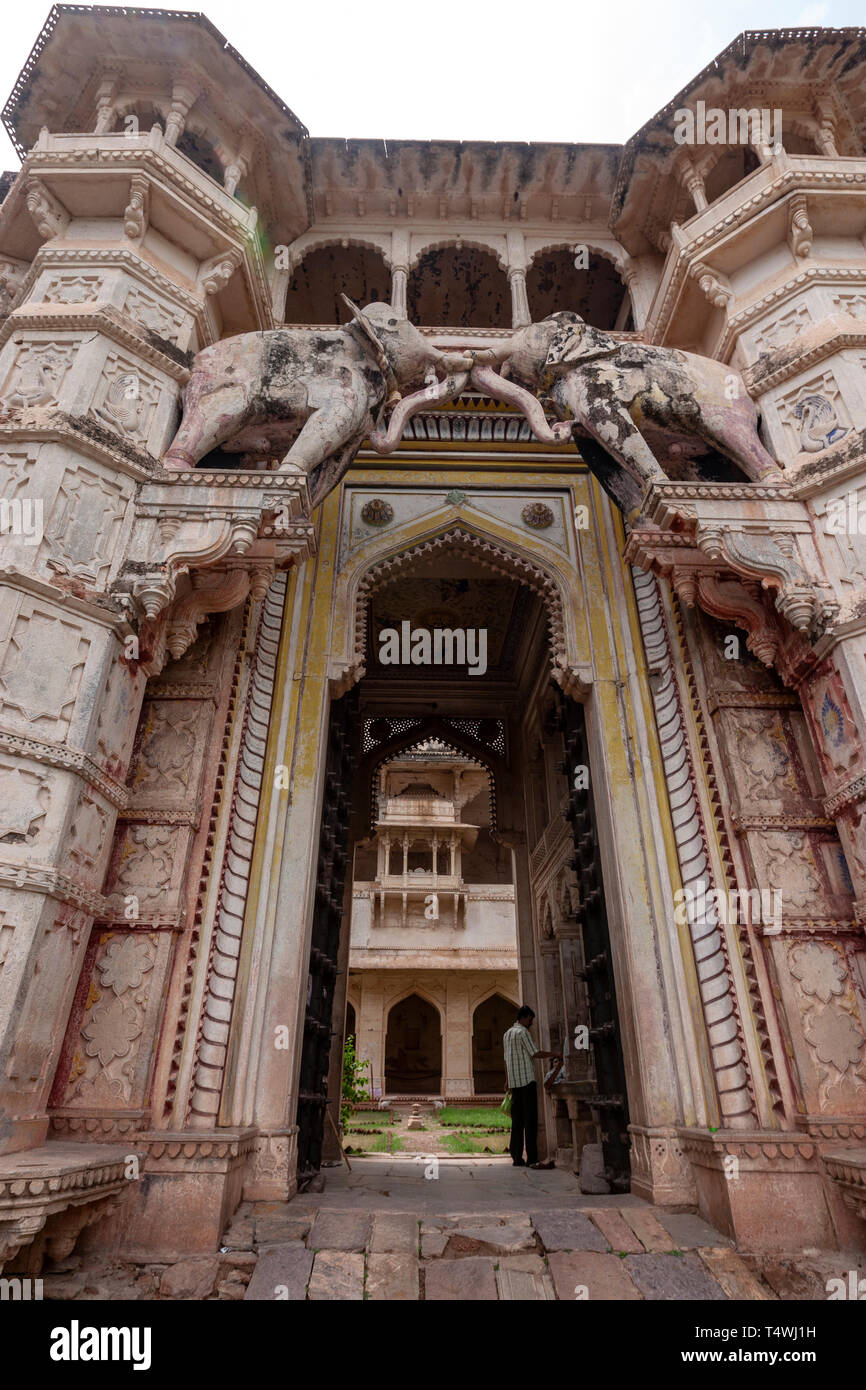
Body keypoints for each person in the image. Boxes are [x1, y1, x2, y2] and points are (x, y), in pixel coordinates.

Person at [503, 1005, 561, 1168]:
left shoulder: (507, 1034)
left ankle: (516, 1157)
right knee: (530, 1121)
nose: (531, 1023)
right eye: (530, 1019)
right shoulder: (522, 1032)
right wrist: (555, 1054)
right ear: (524, 1017)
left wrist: (507, 1081)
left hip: (514, 1083)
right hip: (527, 1081)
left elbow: (506, 1060)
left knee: (517, 1122)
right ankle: (532, 1158)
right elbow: (534, 1053)